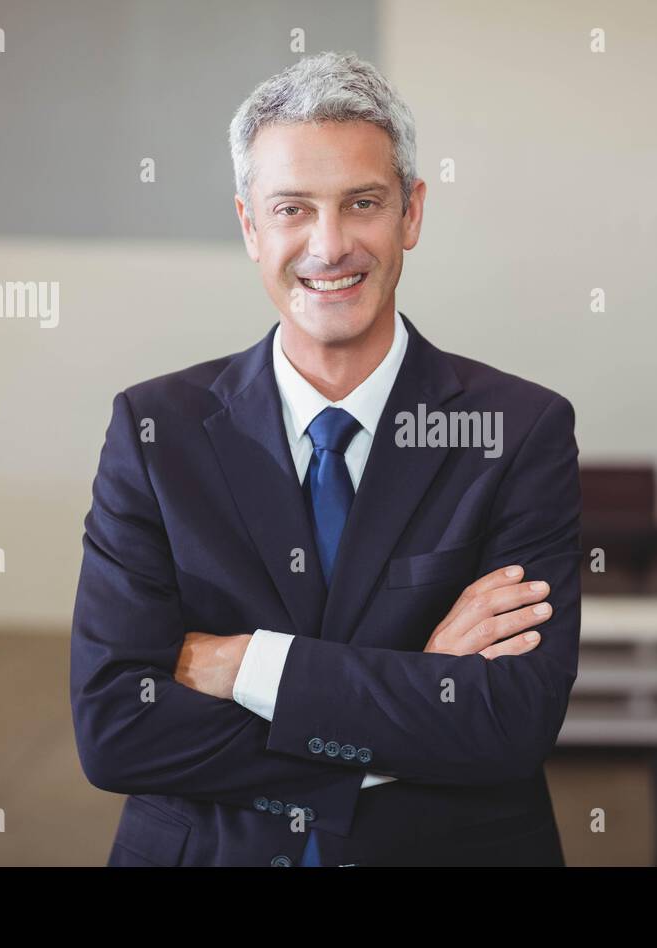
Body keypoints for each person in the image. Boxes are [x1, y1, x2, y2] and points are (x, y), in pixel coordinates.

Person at [69, 51, 581, 866]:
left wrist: (249, 663)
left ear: (411, 213)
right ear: (250, 226)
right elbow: (117, 730)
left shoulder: (517, 433)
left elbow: (507, 725)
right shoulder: (154, 429)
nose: (330, 244)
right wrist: (410, 691)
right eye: (293, 209)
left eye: (363, 203)